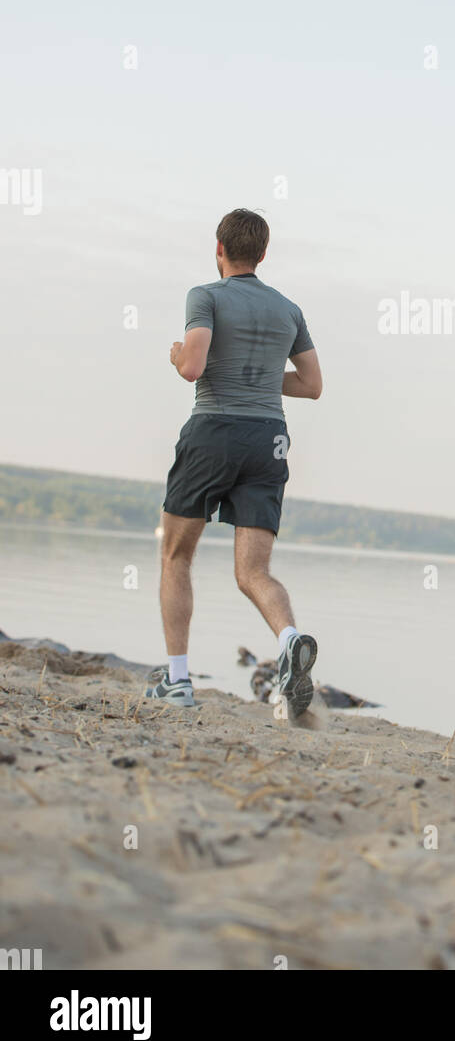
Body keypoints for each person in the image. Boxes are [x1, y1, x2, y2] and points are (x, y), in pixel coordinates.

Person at [147, 207, 322, 715]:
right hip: (269, 439)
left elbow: (193, 367)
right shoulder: (288, 309)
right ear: (263, 255)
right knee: (253, 571)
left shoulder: (206, 296)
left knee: (176, 556)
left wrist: (178, 354)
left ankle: (178, 681)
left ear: (218, 249)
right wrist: (263, 379)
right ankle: (290, 641)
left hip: (215, 430)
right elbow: (312, 386)